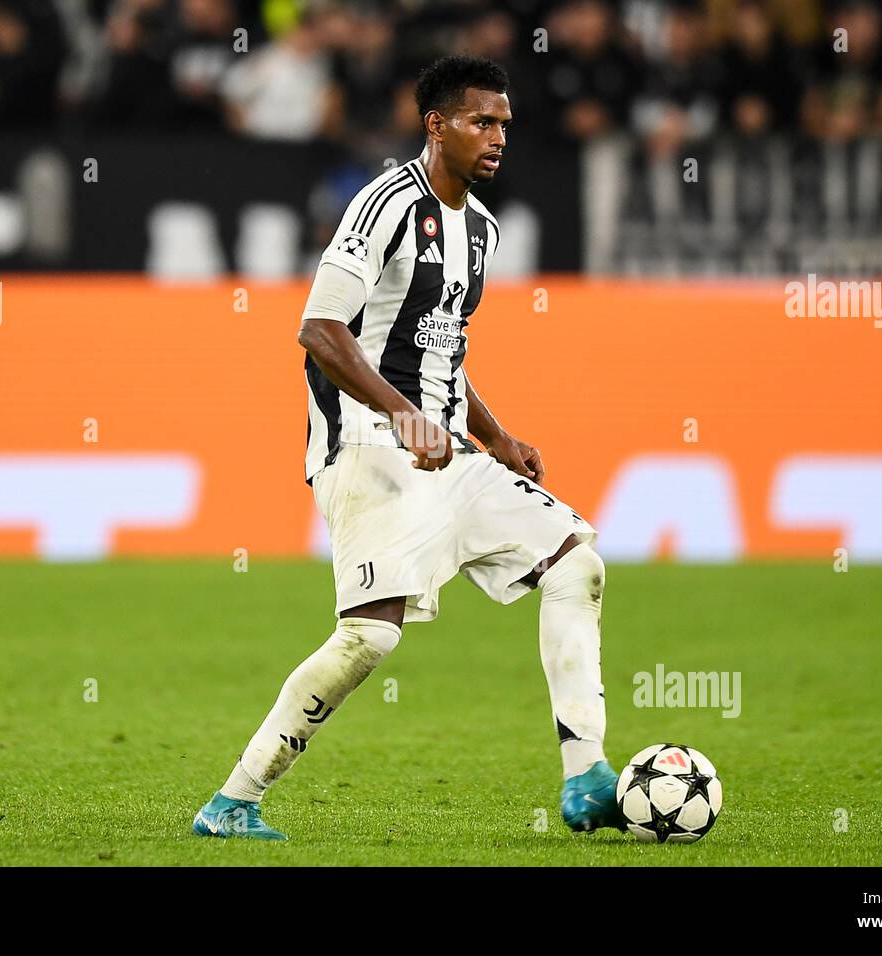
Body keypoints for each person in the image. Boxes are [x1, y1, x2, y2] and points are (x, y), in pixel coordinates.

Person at [191, 55, 624, 841]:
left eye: (503, 125)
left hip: (450, 450)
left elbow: (443, 350)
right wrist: (399, 415)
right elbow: (320, 330)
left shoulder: (482, 229)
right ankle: (233, 801)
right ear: (436, 124)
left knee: (576, 560)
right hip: (366, 445)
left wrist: (496, 437)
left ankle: (586, 775)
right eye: (479, 122)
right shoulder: (385, 204)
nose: (496, 138)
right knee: (369, 636)